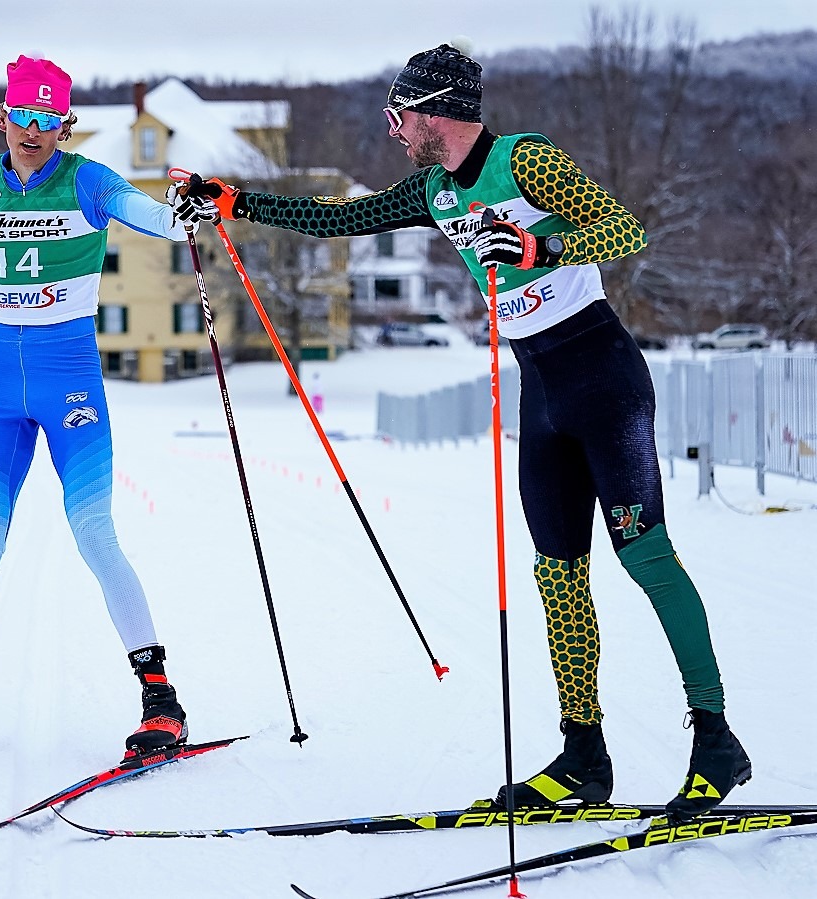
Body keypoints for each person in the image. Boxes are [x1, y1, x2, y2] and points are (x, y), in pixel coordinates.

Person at [168, 44, 749, 822]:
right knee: (557, 576)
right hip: (539, 393)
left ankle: (715, 740)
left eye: (398, 115)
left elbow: (623, 228)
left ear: (434, 110)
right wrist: (231, 200)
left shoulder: (525, 161)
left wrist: (542, 246)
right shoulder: (434, 190)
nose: (393, 130)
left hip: (602, 379)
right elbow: (338, 217)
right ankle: (583, 753)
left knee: (645, 556)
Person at [0, 55, 200, 760]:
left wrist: (190, 209)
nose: (34, 131)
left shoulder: (89, 181)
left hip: (69, 384)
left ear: (64, 125)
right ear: (4, 116)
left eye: (49, 120)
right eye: (23, 116)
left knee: (94, 531)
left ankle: (160, 698)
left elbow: (158, 221)